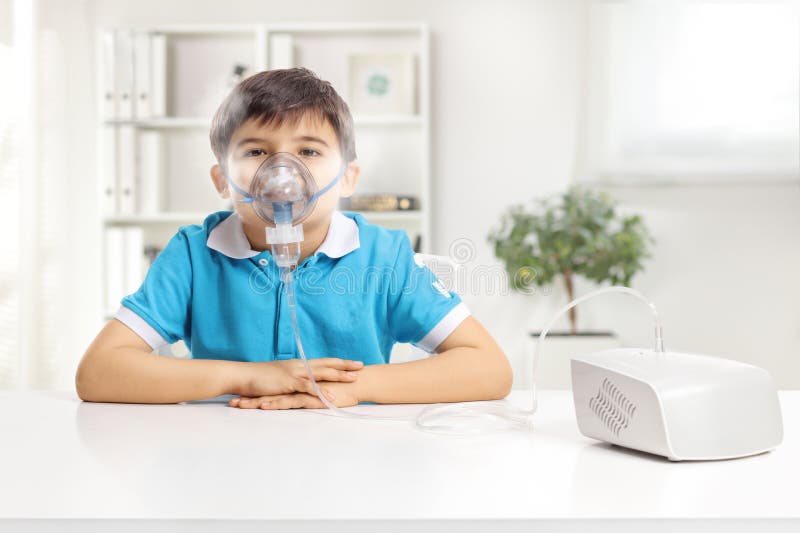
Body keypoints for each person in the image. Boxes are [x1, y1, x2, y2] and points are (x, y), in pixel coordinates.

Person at [75, 68, 512, 410]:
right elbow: (98, 373)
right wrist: (253, 377)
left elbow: (489, 368)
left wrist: (356, 388)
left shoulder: (383, 257)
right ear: (222, 180)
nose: (282, 174)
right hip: (219, 458)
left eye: (308, 151)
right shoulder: (194, 256)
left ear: (348, 178)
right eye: (256, 151)